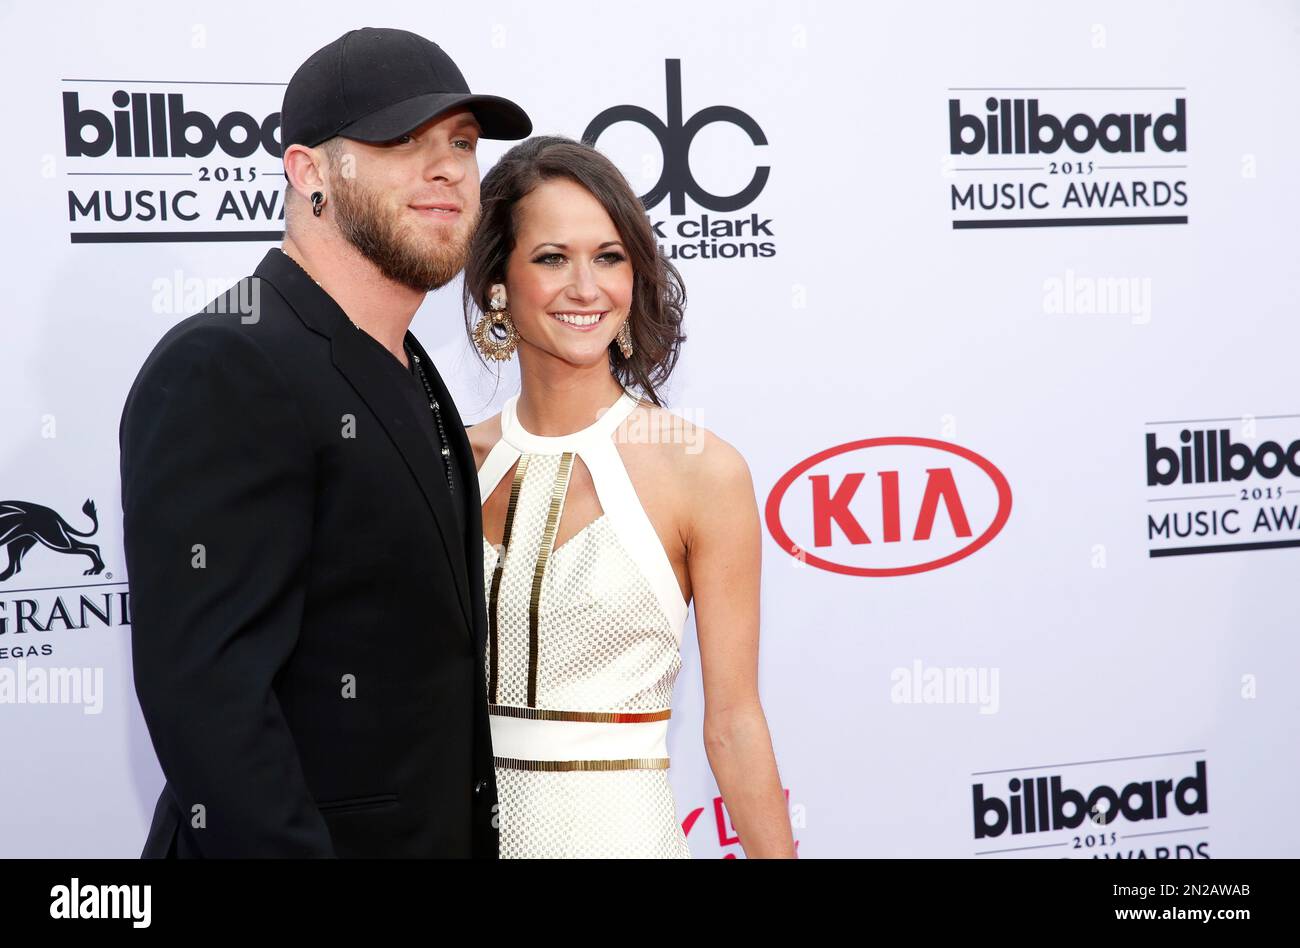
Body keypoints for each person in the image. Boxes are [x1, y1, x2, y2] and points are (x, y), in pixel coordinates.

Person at [119, 28, 530, 857]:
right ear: (308, 173)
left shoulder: (409, 364)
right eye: (401, 142)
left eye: (461, 143)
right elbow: (213, 711)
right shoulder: (227, 363)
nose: (448, 167)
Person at [463, 136, 796, 858]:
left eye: (609, 257)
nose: (586, 288)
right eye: (552, 258)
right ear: (498, 280)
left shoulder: (703, 471)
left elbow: (733, 722)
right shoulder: (448, 461)